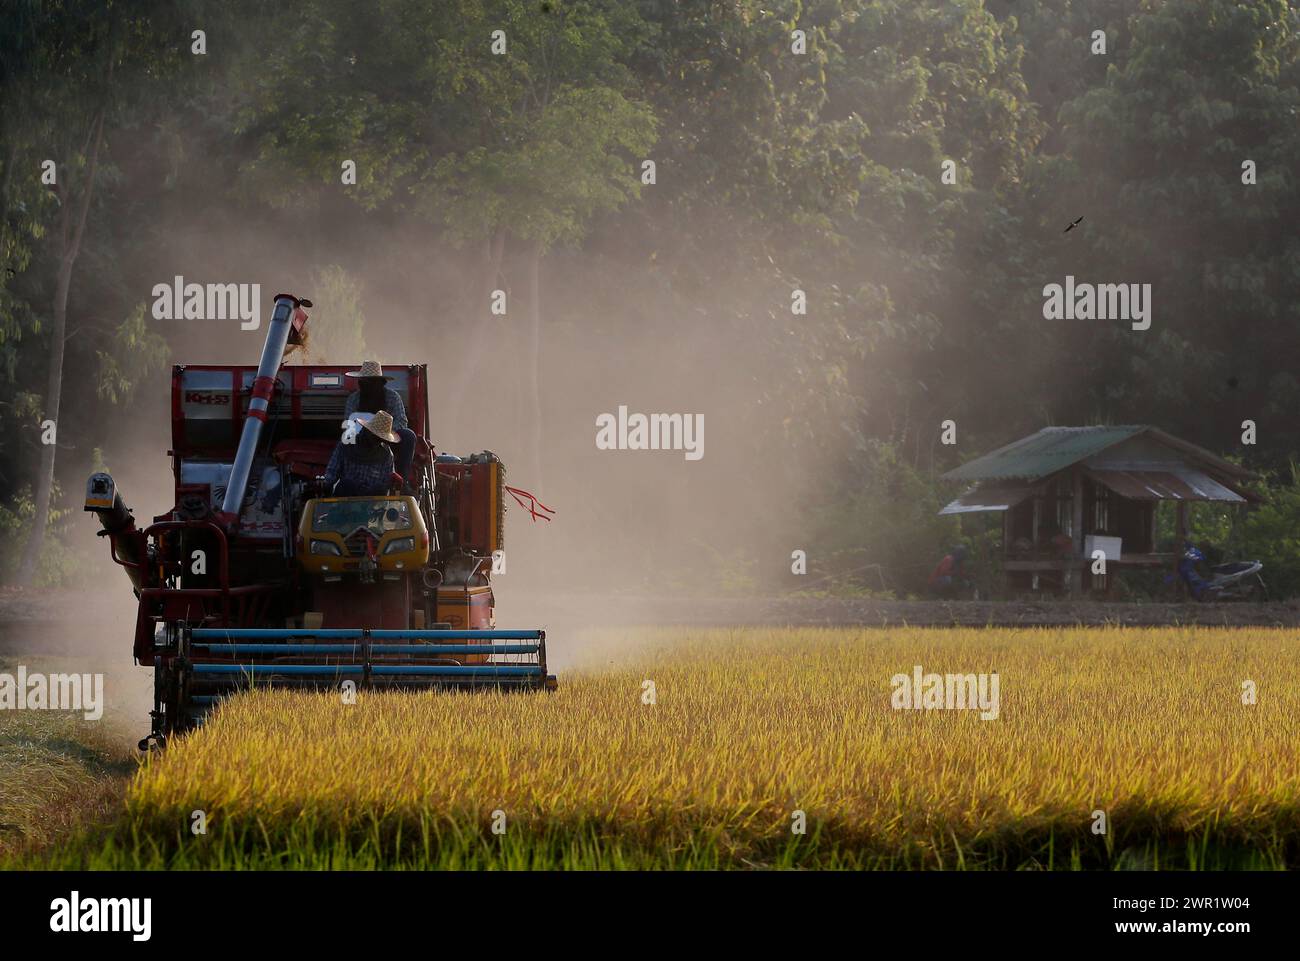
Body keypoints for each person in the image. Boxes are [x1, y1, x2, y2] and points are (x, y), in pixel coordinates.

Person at [344, 360, 417, 481]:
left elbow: (402, 421)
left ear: (380, 383)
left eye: (370, 382)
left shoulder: (393, 397)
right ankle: (347, 476)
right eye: (364, 381)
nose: (366, 385)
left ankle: (402, 480)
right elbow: (348, 424)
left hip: (389, 437)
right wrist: (366, 434)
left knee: (409, 436)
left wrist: (384, 432)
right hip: (362, 438)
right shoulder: (354, 399)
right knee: (345, 441)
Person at [323, 410, 400, 496]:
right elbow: (331, 473)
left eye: (380, 439)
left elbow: (386, 482)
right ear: (367, 431)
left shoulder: (386, 454)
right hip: (346, 500)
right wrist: (325, 487)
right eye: (375, 437)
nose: (377, 442)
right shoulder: (346, 446)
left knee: (379, 488)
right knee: (347, 484)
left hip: (372, 502)